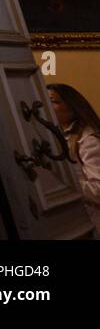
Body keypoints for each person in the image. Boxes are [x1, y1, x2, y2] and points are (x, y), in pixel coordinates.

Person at [48, 83, 100, 235]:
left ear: (72, 106)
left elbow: (98, 190)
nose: (47, 104)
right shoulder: (54, 135)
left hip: (91, 222)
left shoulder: (88, 139)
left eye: (54, 101)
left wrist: (66, 186)